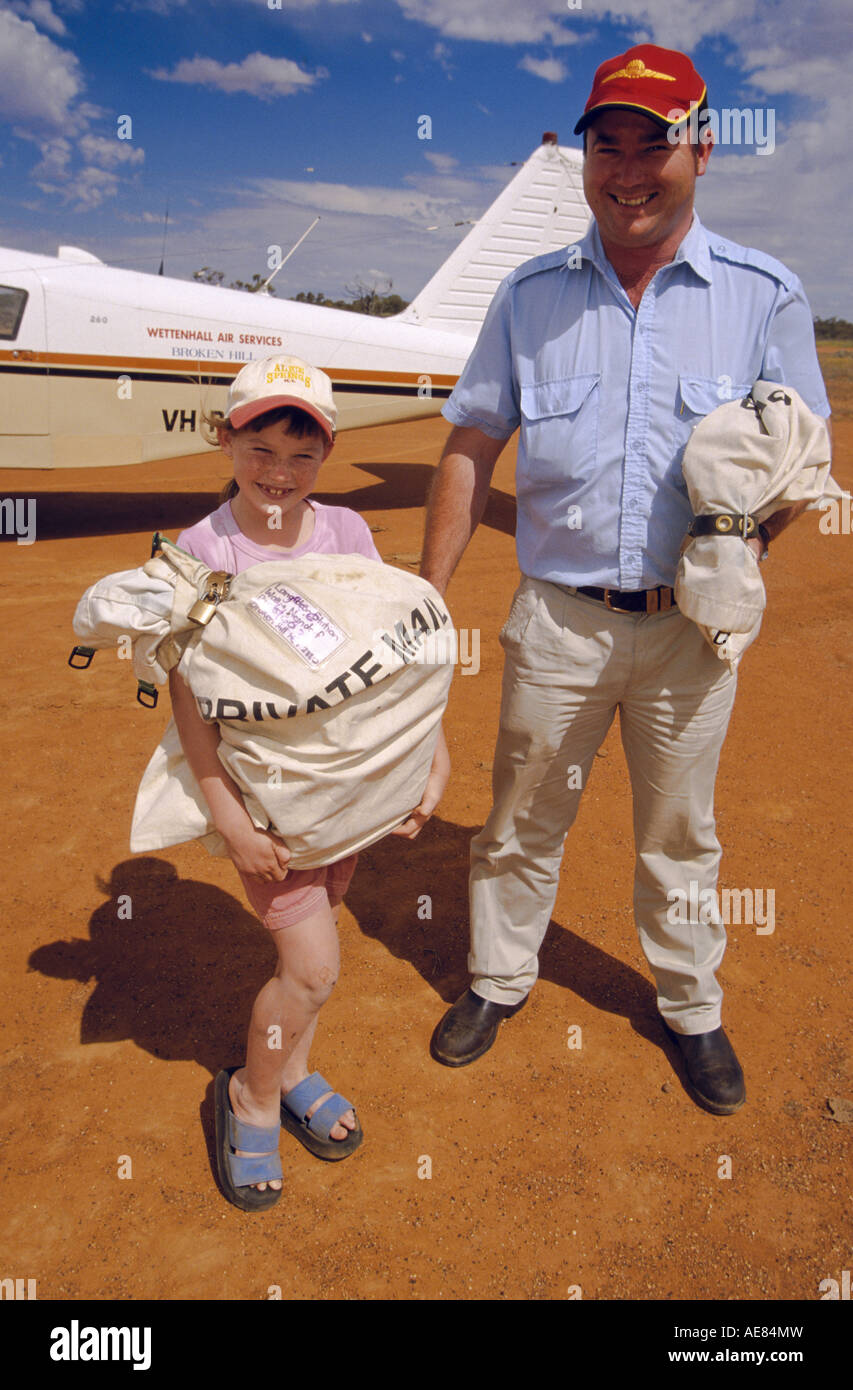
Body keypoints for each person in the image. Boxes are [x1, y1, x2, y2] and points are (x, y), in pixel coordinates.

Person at [421, 45, 830, 1114]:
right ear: (587, 158)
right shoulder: (529, 295)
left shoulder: (762, 296)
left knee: (679, 832)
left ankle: (690, 1004)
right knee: (518, 819)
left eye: (656, 141)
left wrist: (743, 547)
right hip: (557, 621)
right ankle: (499, 979)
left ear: (701, 146)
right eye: (609, 143)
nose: (629, 168)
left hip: (691, 632)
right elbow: (470, 444)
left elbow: (801, 457)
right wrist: (425, 600)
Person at [170, 354, 450, 1208]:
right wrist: (226, 813)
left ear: (324, 458)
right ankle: (253, 1095)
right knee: (314, 968)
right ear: (227, 439)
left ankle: (290, 1069)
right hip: (266, 807)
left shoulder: (348, 537)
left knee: (320, 932)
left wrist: (426, 754)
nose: (279, 475)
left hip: (349, 798)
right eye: (261, 449)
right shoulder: (201, 552)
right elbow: (188, 702)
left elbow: (389, 665)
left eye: (302, 457)